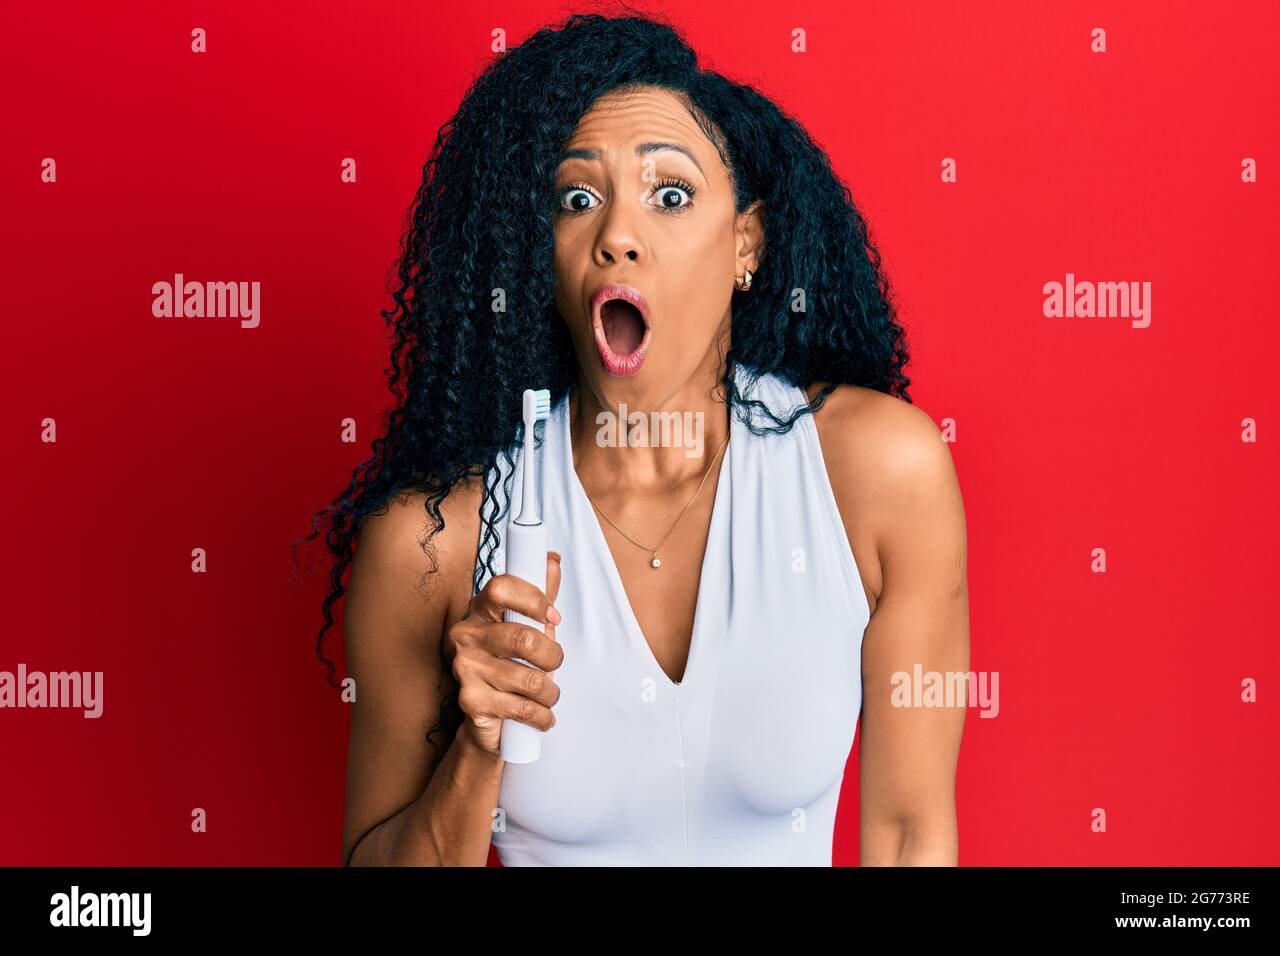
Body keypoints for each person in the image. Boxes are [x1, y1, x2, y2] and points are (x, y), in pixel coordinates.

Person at [300, 11, 968, 866]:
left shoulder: (876, 474)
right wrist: (479, 743)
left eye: (671, 194)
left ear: (746, 246)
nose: (617, 233)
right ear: (543, 255)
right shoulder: (433, 542)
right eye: (578, 200)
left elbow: (911, 837)